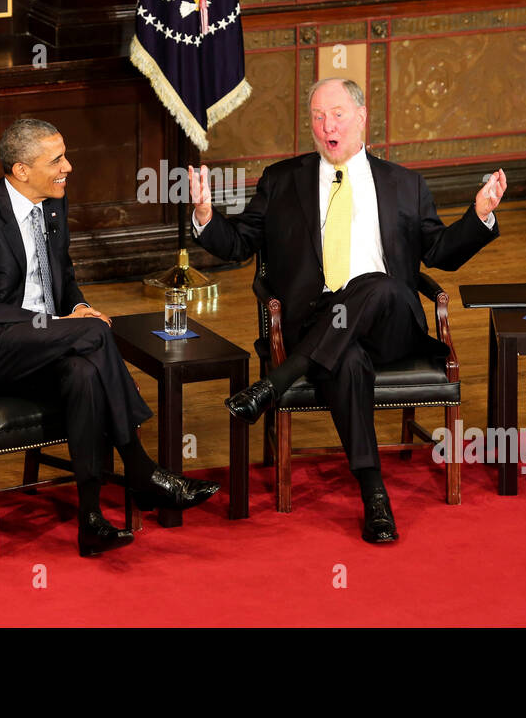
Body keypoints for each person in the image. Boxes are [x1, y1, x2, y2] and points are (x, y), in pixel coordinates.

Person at [189, 78, 506, 542]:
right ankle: (374, 494)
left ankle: (272, 384)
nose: (326, 125)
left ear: (361, 117)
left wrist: (478, 216)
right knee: (347, 361)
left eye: (336, 114)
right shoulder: (282, 180)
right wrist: (204, 216)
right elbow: (238, 244)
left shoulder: (404, 183)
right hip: (322, 330)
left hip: (390, 320)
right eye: (317, 116)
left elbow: (440, 253)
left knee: (374, 284)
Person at [0, 118, 218, 556]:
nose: (68, 166)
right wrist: (60, 324)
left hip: (42, 344)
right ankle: (140, 470)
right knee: (94, 333)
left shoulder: (52, 205)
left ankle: (91, 519)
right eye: (56, 159)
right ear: (21, 170)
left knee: (85, 371)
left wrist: (77, 306)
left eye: (65, 155)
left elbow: (62, 275)